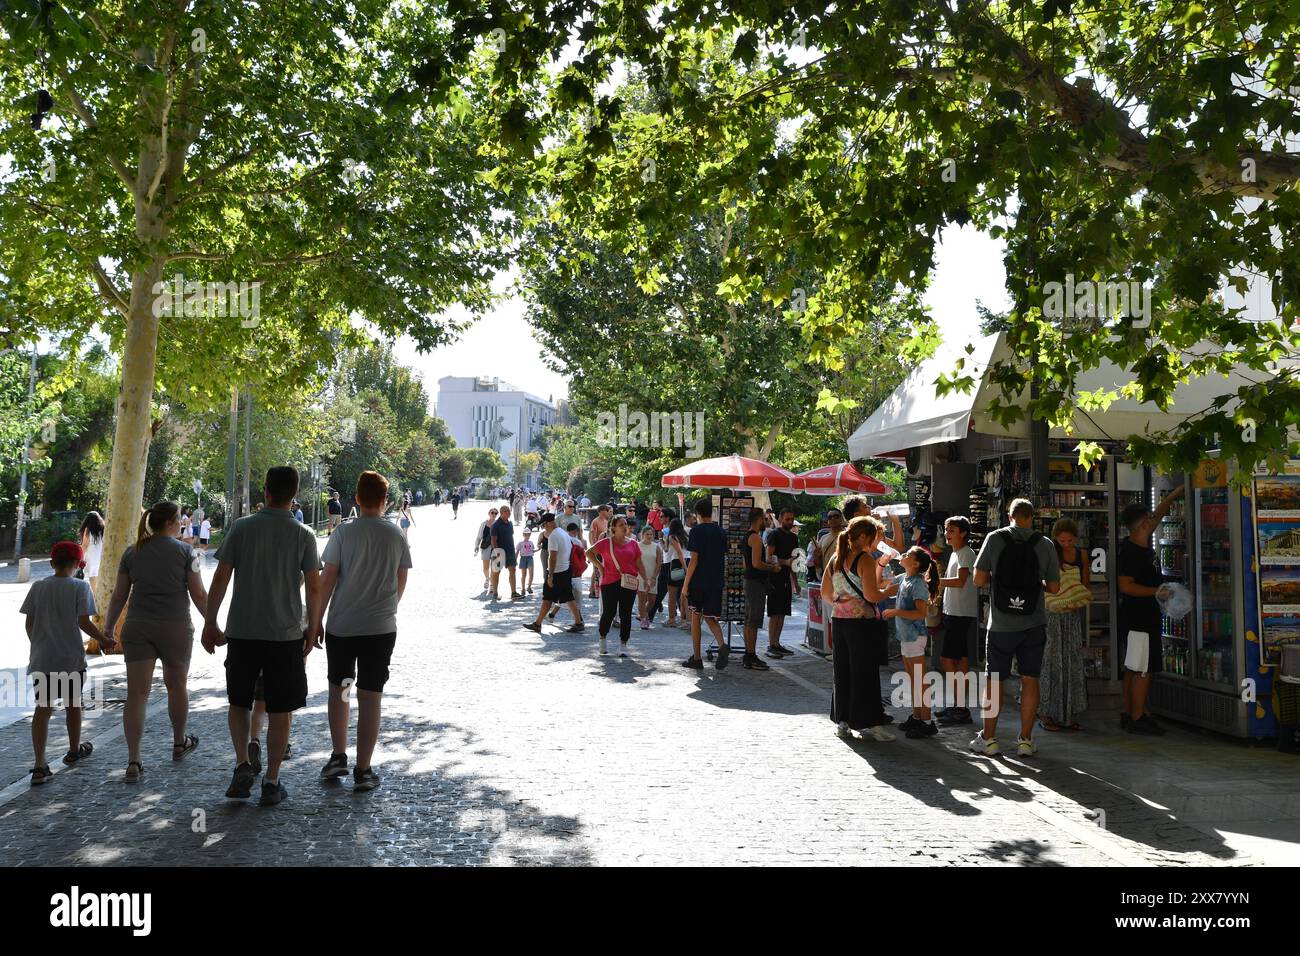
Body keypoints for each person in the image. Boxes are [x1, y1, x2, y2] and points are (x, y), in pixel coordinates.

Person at [203, 466, 321, 806]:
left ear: (265, 491)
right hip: (284, 635)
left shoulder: (241, 528)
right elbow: (313, 587)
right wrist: (312, 628)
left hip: (242, 632)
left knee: (239, 701)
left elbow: (221, 578)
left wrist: (211, 622)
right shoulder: (304, 534)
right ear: (294, 495)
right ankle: (271, 780)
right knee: (281, 708)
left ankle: (242, 763)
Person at [309, 471, 411, 792]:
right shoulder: (396, 535)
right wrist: (388, 606)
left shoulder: (343, 534)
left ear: (356, 499)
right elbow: (401, 579)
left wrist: (315, 621)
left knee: (341, 690)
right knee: (371, 696)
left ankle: (338, 754)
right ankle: (364, 769)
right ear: (384, 501)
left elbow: (327, 580)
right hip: (380, 629)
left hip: (343, 627)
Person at [103, 501, 208, 782]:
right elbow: (198, 594)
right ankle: (178, 742)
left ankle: (134, 760)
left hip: (137, 627)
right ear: (174, 522)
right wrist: (212, 624)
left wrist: (109, 629)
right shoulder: (188, 551)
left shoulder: (131, 551)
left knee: (137, 694)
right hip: (175, 627)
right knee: (177, 686)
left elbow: (118, 596)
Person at [970, 498, 1062, 758]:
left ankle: (989, 740)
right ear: (1031, 517)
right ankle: (1025, 740)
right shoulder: (1045, 544)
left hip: (1000, 624)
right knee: (1030, 680)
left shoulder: (995, 538)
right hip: (1033, 624)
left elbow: (978, 580)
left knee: (994, 682)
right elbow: (1055, 588)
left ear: (1009, 516)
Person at [21, 541, 112, 785]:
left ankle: (40, 764)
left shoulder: (38, 587)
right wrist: (103, 639)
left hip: (43, 659)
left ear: (52, 563)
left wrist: (40, 644)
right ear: (77, 565)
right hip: (71, 659)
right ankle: (73, 750)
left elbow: (29, 624)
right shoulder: (80, 587)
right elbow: (84, 622)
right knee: (74, 704)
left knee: (43, 709)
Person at [1118, 487, 1185, 735]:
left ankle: (1130, 712)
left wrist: (1176, 491)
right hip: (1140, 618)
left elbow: (1159, 512)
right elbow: (1125, 585)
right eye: (1150, 519)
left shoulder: (1140, 542)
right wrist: (1156, 592)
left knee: (1133, 667)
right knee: (1143, 668)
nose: (1154, 520)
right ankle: (1137, 717)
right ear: (1143, 523)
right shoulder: (1132, 553)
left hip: (1141, 617)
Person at [828, 516, 896, 742]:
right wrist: (889, 591)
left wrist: (842, 600)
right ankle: (870, 722)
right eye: (876, 537)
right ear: (865, 536)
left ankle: (843, 721)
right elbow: (871, 595)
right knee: (865, 672)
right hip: (861, 623)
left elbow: (826, 594)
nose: (878, 542)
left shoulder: (837, 558)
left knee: (843, 671)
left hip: (839, 620)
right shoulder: (864, 559)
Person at [681, 497, 766, 670]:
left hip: (699, 581)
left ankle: (697, 658)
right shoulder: (720, 531)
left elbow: (694, 560)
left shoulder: (696, 531)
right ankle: (722, 645)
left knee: (696, 618)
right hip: (716, 580)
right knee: (710, 616)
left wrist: (685, 584)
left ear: (697, 514)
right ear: (711, 512)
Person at [884, 546, 941, 738]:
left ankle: (927, 721)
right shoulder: (904, 578)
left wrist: (896, 612)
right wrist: (882, 561)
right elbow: (881, 585)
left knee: (919, 680)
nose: (904, 555)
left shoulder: (917, 583)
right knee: (913, 679)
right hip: (907, 636)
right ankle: (917, 717)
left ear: (916, 564)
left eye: (908, 555)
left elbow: (920, 613)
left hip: (915, 636)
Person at [1039, 517, 1090, 732]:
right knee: (1050, 662)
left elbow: (1085, 582)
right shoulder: (1050, 552)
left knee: (1071, 661)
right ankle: (1046, 713)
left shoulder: (1082, 555)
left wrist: (1075, 598)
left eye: (1069, 541)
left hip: (1072, 615)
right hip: (1052, 615)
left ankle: (1068, 714)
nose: (1066, 544)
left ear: (1076, 539)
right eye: (1062, 541)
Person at [935, 516, 978, 726]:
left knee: (947, 659)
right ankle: (958, 706)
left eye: (951, 530)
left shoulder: (966, 553)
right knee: (959, 660)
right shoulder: (955, 554)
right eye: (946, 530)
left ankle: (960, 708)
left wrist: (935, 581)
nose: (947, 534)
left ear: (963, 532)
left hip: (960, 614)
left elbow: (961, 581)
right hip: (954, 612)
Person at [587, 516, 646, 656]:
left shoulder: (633, 544)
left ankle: (623, 645)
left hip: (629, 583)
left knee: (626, 614)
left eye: (625, 524)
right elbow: (589, 553)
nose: (625, 526)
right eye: (621, 524)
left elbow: (639, 563)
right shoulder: (606, 543)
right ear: (613, 528)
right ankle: (602, 638)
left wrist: (646, 579)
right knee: (609, 612)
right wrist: (600, 567)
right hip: (610, 582)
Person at [524, 514, 586, 633]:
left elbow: (552, 556)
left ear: (547, 523)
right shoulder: (563, 533)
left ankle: (537, 624)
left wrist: (550, 575)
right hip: (565, 570)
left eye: (543, 524)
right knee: (568, 597)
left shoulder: (553, 536)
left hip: (557, 572)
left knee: (547, 598)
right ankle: (578, 623)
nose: (543, 527)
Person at [741, 507, 779, 671]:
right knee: (754, 621)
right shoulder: (755, 538)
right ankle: (751, 655)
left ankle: (749, 654)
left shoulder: (746, 536)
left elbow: (747, 563)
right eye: (764, 519)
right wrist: (771, 567)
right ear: (758, 519)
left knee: (749, 620)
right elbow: (756, 563)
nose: (766, 521)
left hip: (749, 581)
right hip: (755, 583)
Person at [765, 507, 800, 658]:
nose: (790, 522)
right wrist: (784, 562)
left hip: (786, 578)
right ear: (780, 519)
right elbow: (769, 557)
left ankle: (777, 643)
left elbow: (793, 561)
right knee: (775, 612)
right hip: (774, 578)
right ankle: (771, 644)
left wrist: (795, 582)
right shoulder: (774, 534)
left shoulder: (793, 538)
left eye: (792, 519)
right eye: (787, 519)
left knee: (783, 612)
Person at [662, 518, 690, 628]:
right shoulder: (686, 537)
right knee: (684, 593)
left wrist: (684, 567)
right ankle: (686, 620)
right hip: (688, 561)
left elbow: (678, 552)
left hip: (677, 564)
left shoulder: (672, 537)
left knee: (672, 594)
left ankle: (672, 619)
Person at [490, 503, 520, 601]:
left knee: (513, 570)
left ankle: (514, 593)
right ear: (502, 513)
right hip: (499, 551)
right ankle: (495, 593)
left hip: (510, 550)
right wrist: (497, 551)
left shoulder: (510, 523)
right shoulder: (495, 525)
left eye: (509, 511)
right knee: (496, 572)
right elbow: (493, 540)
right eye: (507, 511)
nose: (509, 513)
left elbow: (510, 536)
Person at [635, 525, 663, 630]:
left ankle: (644, 614)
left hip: (652, 576)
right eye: (647, 534)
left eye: (651, 534)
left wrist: (655, 577)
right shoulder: (637, 545)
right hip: (640, 576)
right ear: (642, 535)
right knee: (642, 599)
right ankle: (643, 620)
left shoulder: (656, 547)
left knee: (652, 600)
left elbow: (659, 562)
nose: (649, 536)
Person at [78, 512, 106, 594]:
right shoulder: (103, 529)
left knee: (92, 577)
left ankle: (95, 596)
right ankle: (98, 595)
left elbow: (85, 545)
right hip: (101, 555)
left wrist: (80, 557)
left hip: (91, 556)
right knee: (98, 576)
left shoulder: (88, 530)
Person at [587, 505, 610, 597]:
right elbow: (592, 536)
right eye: (606, 510)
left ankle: (593, 589)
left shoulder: (607, 521)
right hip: (597, 549)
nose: (607, 512)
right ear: (601, 511)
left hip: (605, 550)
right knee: (596, 569)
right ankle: (592, 590)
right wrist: (594, 549)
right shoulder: (595, 521)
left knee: (598, 569)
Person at [475, 508, 498, 592]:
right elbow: (479, 536)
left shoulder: (498, 524)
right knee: (485, 567)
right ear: (489, 513)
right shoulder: (483, 524)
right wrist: (476, 546)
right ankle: (487, 579)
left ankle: (492, 583)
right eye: (492, 512)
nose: (494, 514)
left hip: (495, 547)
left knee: (493, 567)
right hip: (485, 546)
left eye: (496, 513)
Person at [518, 529, 537, 594]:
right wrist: (515, 560)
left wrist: (539, 549)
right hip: (523, 558)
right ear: (523, 535)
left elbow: (532, 550)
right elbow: (517, 552)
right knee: (524, 574)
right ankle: (523, 589)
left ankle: (529, 587)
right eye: (526, 534)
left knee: (531, 573)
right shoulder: (520, 543)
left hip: (530, 558)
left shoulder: (531, 543)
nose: (527, 536)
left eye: (528, 534)